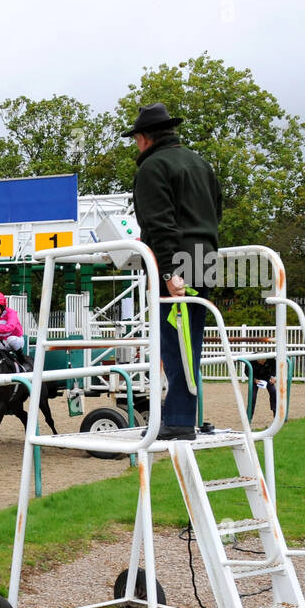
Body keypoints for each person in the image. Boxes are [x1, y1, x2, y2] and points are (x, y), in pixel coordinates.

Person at [125, 102, 223, 440]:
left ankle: (179, 419)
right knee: (189, 342)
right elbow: (216, 212)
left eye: (136, 139)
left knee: (174, 344)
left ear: (145, 138)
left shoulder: (153, 168)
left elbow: (159, 224)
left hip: (176, 262)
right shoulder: (201, 163)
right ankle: (182, 414)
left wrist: (169, 271)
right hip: (204, 257)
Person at [0, 292, 30, 370]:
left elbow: (11, 327)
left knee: (11, 339)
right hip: (3, 343)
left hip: (17, 341)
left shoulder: (11, 313)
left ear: (2, 308)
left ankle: (22, 360)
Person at [247, 355, 278, 422]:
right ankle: (249, 416)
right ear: (257, 360)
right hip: (255, 377)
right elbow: (247, 372)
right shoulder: (251, 360)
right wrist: (254, 380)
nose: (263, 364)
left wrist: (273, 377)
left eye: (264, 362)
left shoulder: (271, 359)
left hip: (267, 377)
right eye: (261, 363)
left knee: (273, 391)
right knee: (252, 396)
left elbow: (274, 368)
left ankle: (276, 413)